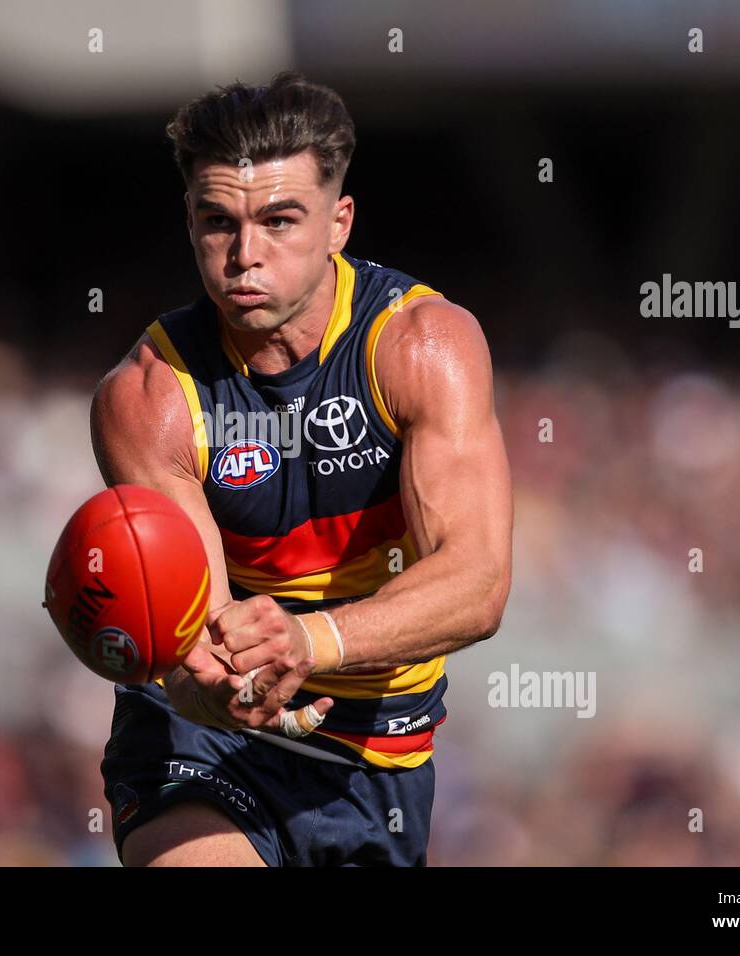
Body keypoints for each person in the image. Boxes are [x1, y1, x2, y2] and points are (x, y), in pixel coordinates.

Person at [90, 71, 513, 866]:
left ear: (337, 223)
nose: (245, 257)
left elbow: (478, 582)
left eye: (279, 221)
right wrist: (211, 682)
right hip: (204, 744)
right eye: (219, 224)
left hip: (376, 755)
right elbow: (194, 645)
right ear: (190, 224)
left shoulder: (423, 345)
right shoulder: (149, 396)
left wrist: (307, 640)